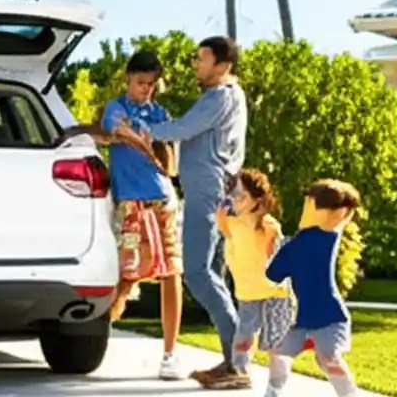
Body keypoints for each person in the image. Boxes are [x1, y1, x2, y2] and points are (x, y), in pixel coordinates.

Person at [114, 35, 247, 390]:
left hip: (206, 193)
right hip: (216, 192)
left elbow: (183, 128)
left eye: (202, 58)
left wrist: (140, 129)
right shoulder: (229, 95)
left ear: (223, 65)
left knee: (198, 274)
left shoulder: (220, 96)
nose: (196, 64)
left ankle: (237, 363)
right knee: (212, 274)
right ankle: (234, 360)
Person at [99, 50, 184, 381]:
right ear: (128, 79)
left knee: (171, 272)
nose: (145, 88)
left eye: (151, 83)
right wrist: (147, 142)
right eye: (140, 82)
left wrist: (153, 142)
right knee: (123, 276)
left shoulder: (159, 113)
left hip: (162, 200)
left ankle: (170, 354)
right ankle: (93, 339)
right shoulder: (116, 107)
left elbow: (170, 161)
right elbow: (116, 129)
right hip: (130, 204)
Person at [264, 179, 362, 397]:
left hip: (330, 318)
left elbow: (341, 217)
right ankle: (273, 392)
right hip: (303, 322)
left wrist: (345, 208)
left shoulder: (329, 237)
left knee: (327, 358)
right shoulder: (292, 247)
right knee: (278, 353)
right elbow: (273, 274)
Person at [217, 169, 293, 376]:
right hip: (248, 291)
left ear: (256, 200)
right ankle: (239, 373)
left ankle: (277, 383)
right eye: (233, 196)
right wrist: (228, 197)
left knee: (276, 342)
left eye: (241, 197)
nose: (236, 201)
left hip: (274, 292)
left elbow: (277, 258)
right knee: (244, 335)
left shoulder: (268, 225)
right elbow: (221, 211)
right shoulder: (231, 221)